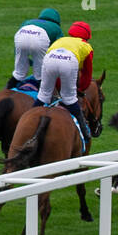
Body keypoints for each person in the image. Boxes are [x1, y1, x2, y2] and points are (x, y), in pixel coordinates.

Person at [36, 21, 95, 149]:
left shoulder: (61, 39)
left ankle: (26, 118)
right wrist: (81, 89)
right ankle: (84, 131)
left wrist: (58, 87)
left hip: (49, 58)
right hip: (69, 61)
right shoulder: (86, 47)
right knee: (69, 98)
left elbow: (55, 76)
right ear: (87, 37)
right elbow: (86, 74)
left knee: (43, 95)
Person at [11, 8, 63, 91]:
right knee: (40, 75)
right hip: (39, 39)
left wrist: (24, 59)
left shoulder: (27, 21)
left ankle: (7, 89)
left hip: (22, 34)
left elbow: (17, 47)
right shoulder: (56, 28)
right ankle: (44, 99)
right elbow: (59, 48)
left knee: (19, 73)